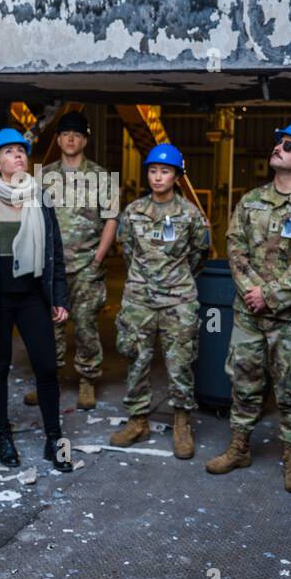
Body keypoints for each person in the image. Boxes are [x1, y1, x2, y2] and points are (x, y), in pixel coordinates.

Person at [207, 120, 291, 491]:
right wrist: (253, 292)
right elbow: (235, 247)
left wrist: (272, 294)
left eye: (290, 146)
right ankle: (239, 447)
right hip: (250, 312)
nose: (279, 147)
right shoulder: (250, 201)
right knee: (244, 382)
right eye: (280, 142)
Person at [0, 128, 73, 473]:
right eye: (8, 152)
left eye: (21, 151)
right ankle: (3, 435)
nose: (18, 156)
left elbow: (55, 254)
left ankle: (55, 439)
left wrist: (59, 296)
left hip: (33, 297)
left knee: (48, 368)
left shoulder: (41, 200)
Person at [110, 144, 211, 459]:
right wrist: (145, 280)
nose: (157, 177)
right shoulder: (134, 211)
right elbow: (127, 250)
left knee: (180, 362)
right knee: (137, 359)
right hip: (140, 297)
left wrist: (172, 279)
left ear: (176, 176)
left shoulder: (191, 214)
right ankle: (138, 420)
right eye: (153, 171)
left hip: (178, 298)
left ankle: (182, 422)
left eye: (165, 171)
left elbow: (199, 255)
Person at [39, 111, 120, 411]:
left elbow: (111, 219)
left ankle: (87, 380)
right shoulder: (43, 177)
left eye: (76, 134)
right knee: (49, 327)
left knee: (86, 325)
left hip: (87, 265)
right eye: (65, 134)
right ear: (58, 139)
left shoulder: (102, 177)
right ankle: (50, 380)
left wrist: (99, 257)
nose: (71, 138)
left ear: (85, 140)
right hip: (51, 268)